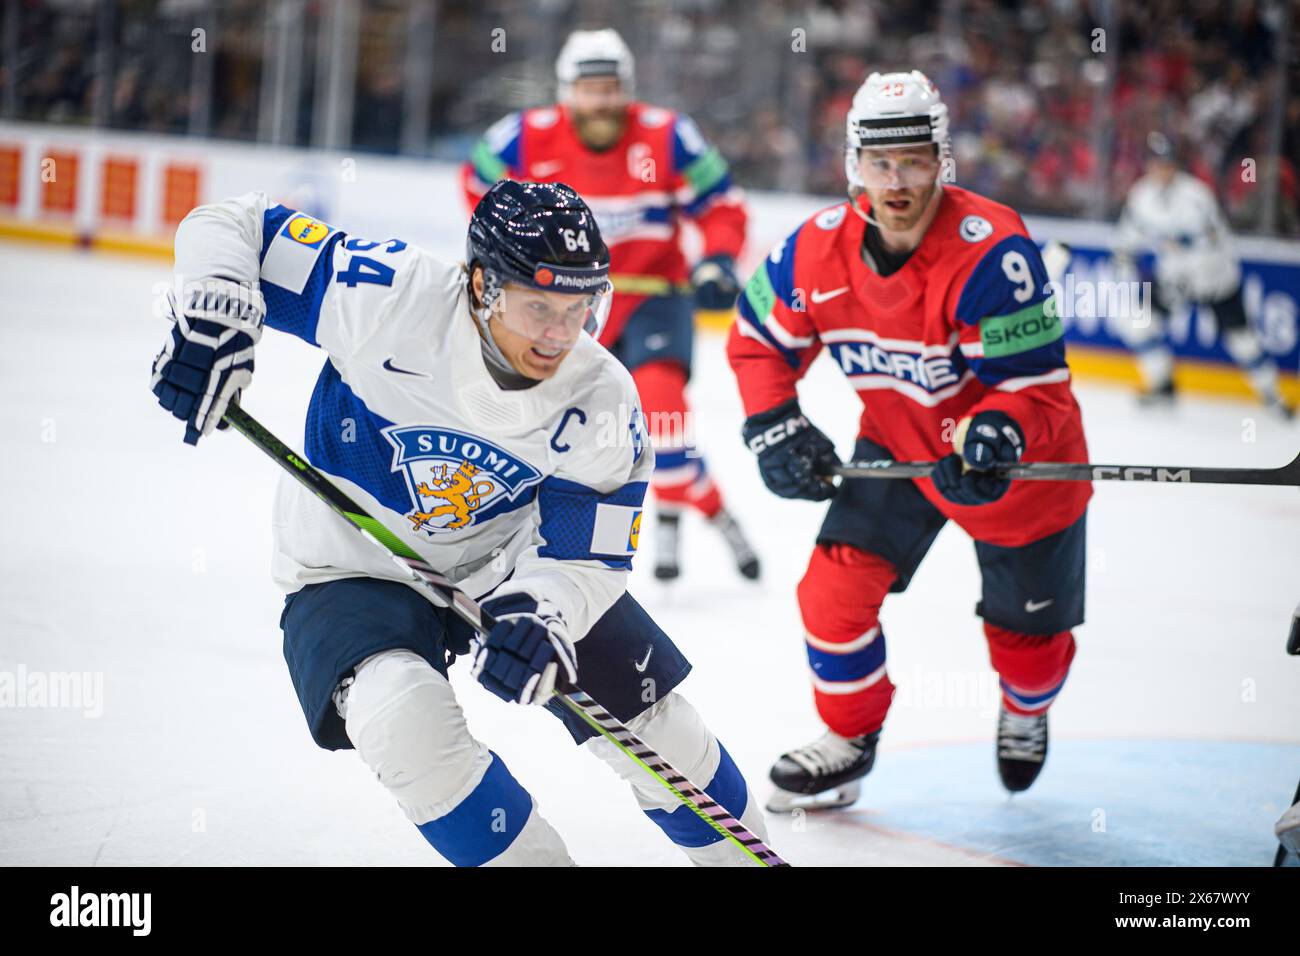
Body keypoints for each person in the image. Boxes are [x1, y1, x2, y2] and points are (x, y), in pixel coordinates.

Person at [149, 179, 768, 865]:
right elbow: (232, 222)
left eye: (579, 307)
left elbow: (587, 558)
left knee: (655, 728)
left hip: (503, 564)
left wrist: (543, 614)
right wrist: (214, 319)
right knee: (401, 720)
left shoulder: (602, 398)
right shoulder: (386, 297)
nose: (561, 334)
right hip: (351, 564)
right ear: (481, 284)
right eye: (538, 306)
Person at [726, 71, 1092, 810]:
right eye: (881, 162)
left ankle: (1026, 709)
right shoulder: (813, 251)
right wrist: (774, 424)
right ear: (853, 162)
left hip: (1021, 470)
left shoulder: (994, 249)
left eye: (915, 160)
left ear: (942, 160)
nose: (897, 181)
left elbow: (1038, 386)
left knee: (1028, 650)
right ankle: (849, 739)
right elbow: (757, 339)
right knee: (830, 595)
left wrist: (997, 434)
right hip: (897, 447)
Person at [462, 28, 760, 582]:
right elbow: (478, 187)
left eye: (611, 87)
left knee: (664, 410)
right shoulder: (522, 138)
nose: (601, 100)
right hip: (563, 305)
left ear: (628, 88)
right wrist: (508, 251)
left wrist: (718, 259)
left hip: (652, 295)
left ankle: (677, 511)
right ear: (565, 91)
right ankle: (712, 511)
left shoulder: (669, 137)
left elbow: (722, 204)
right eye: (589, 88)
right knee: (575, 434)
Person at [1114, 131, 1293, 418]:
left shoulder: (1196, 196)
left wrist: (1189, 279)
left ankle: (1273, 396)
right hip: (1174, 277)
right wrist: (1123, 264)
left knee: (1242, 342)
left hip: (1215, 280)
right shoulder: (1141, 195)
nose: (1160, 169)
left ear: (1175, 165)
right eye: (1155, 163)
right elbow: (1127, 239)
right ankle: (1163, 385)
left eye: (1166, 163)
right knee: (1135, 323)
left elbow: (1214, 247)